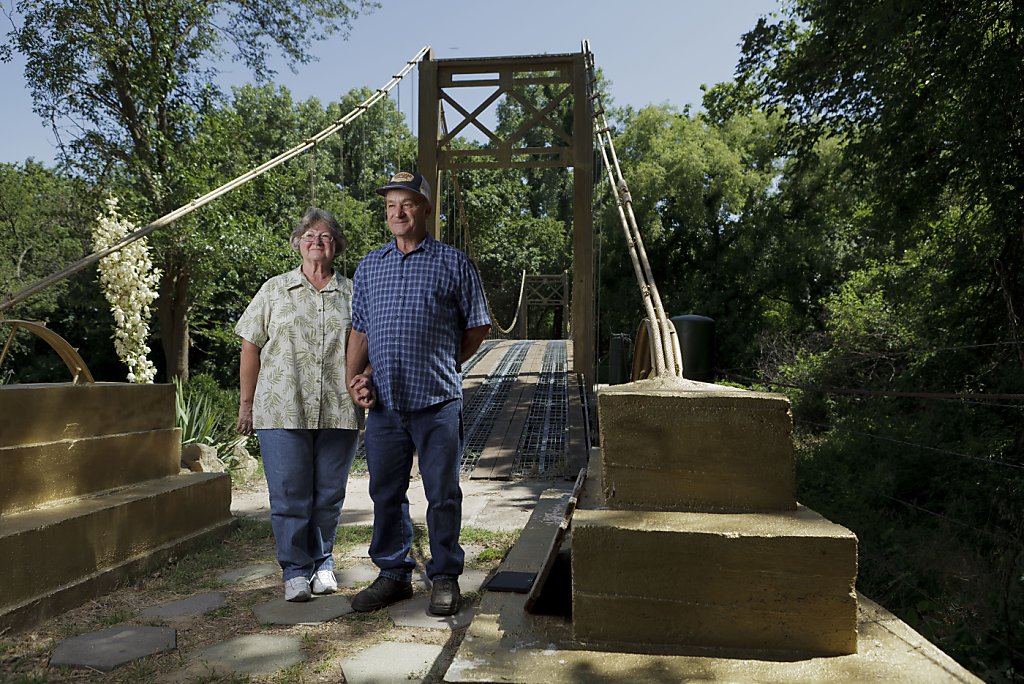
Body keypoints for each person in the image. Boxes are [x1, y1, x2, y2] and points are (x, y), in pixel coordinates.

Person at [346, 171, 491, 616]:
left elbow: (478, 326)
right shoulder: (370, 265)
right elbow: (360, 330)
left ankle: (444, 576)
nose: (398, 212)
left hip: (437, 401)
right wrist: (354, 379)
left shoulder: (454, 262)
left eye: (407, 204)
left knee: (442, 493)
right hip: (385, 404)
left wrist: (443, 360)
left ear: (426, 209)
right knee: (385, 492)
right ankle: (394, 574)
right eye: (391, 205)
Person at [236, 208, 361, 602]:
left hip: (339, 408)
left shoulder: (355, 293)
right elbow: (250, 346)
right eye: (309, 235)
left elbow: (368, 345)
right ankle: (294, 570)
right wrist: (246, 405)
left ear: (336, 246)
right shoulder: (274, 290)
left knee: (329, 494)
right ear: (298, 244)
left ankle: (322, 562)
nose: (316, 241)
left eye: (325, 236)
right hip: (281, 408)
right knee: (290, 494)